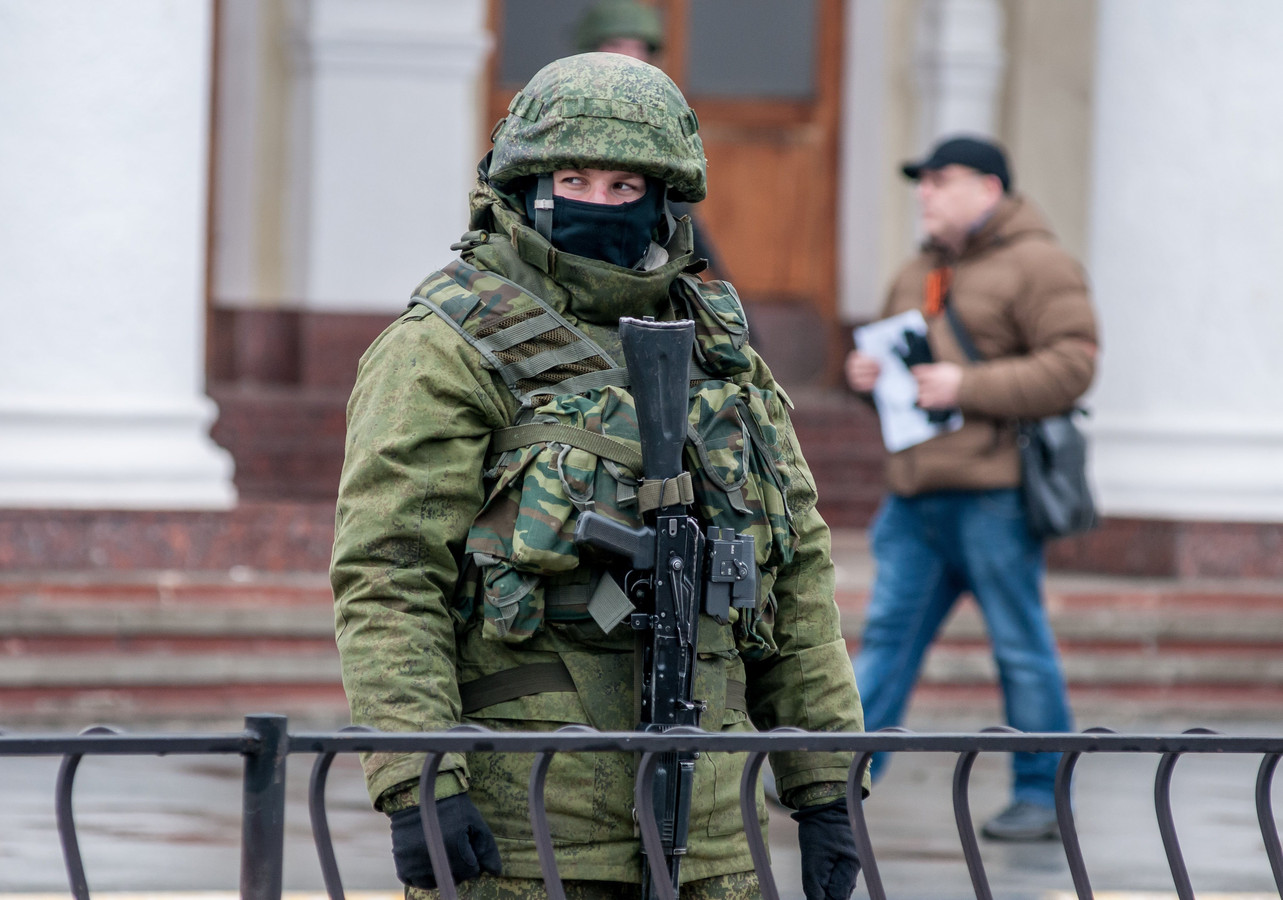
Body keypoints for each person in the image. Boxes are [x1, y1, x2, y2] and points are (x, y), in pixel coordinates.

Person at [332, 53, 865, 899]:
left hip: (716, 830)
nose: (601, 205)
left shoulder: (719, 351)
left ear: (662, 199)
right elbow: (392, 574)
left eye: (626, 187)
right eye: (573, 179)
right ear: (526, 186)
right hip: (534, 825)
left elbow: (793, 570)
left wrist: (826, 787)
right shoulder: (446, 346)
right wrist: (418, 776)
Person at [844, 135, 1098, 842]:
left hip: (992, 496)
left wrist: (969, 385)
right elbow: (899, 376)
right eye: (919, 181)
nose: (924, 192)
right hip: (914, 497)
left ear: (988, 188)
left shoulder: (1040, 264)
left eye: (940, 180)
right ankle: (839, 779)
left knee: (1019, 647)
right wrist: (861, 380)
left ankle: (1041, 797)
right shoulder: (914, 270)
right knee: (885, 642)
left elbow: (1074, 365)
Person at [572, 0, 729, 281]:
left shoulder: (661, 110)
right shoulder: (562, 101)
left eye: (638, 47)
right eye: (617, 45)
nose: (629, 56)